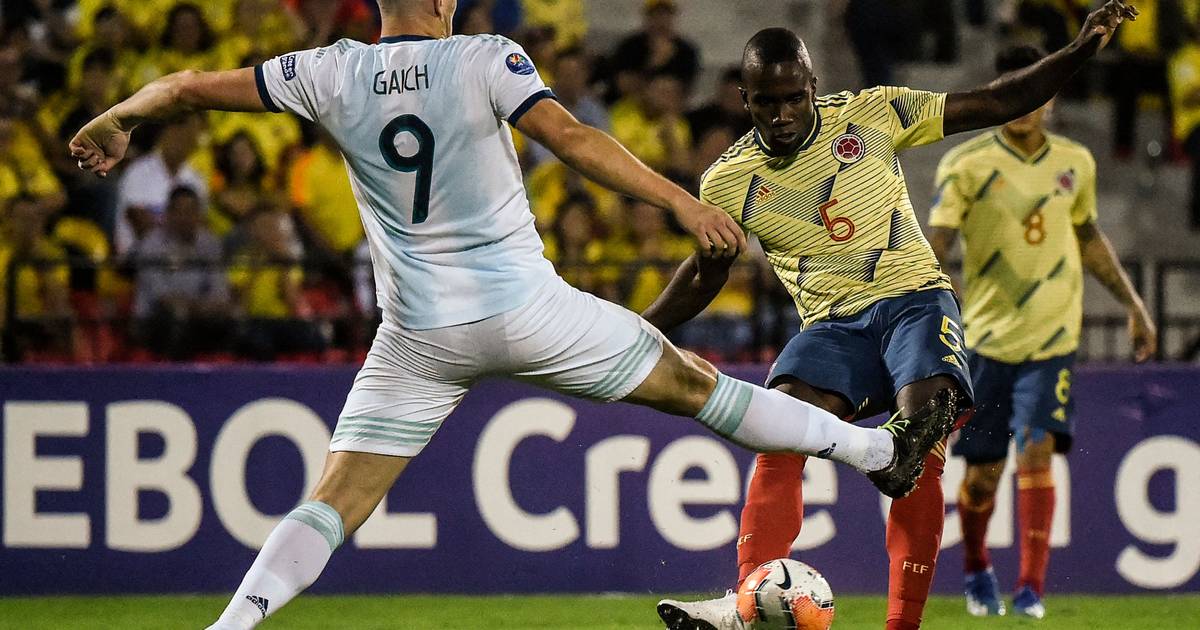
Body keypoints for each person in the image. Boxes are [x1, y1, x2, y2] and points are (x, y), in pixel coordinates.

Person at [69, 1, 953, 627]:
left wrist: (119, 117)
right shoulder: (484, 56)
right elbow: (571, 139)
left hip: (416, 335)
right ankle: (880, 449)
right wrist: (684, 205)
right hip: (525, 309)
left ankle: (233, 625)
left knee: (336, 501)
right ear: (448, 1)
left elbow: (183, 84)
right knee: (695, 385)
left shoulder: (323, 71)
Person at [648, 4, 1138, 629]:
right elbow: (704, 274)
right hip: (830, 329)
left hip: (914, 301)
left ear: (812, 87)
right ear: (744, 99)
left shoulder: (872, 114)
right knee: (777, 433)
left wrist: (1075, 53)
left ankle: (901, 625)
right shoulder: (726, 181)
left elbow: (989, 104)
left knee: (922, 430)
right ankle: (748, 602)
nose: (782, 115)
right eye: (766, 103)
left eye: (793, 99)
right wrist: (641, 329)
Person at [929, 45, 1157, 621]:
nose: (1026, 104)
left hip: (1051, 338)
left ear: (1050, 99)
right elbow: (938, 242)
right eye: (1014, 89)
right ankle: (978, 569)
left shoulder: (1077, 162)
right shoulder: (967, 165)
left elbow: (1087, 236)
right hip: (984, 341)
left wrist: (1133, 303)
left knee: (1037, 452)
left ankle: (1032, 590)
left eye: (1036, 92)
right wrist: (928, 300)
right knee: (981, 478)